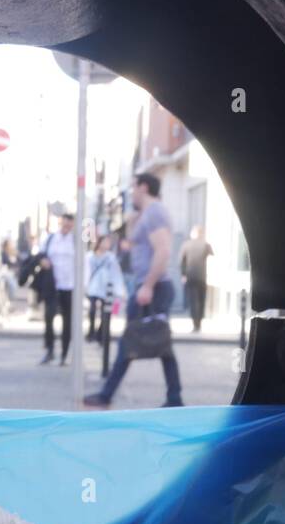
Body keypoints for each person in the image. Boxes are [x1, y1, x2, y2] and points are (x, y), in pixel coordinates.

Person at [85, 173, 183, 407]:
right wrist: (132, 220)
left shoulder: (156, 212)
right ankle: (174, 397)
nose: (131, 193)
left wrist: (148, 285)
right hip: (149, 286)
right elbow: (132, 244)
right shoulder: (146, 214)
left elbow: (163, 251)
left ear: (144, 187)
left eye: (133, 188)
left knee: (140, 342)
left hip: (154, 287)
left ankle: (107, 394)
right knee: (157, 344)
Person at [39, 213, 77, 366]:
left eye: (70, 225)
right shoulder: (50, 239)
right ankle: (49, 350)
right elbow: (40, 255)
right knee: (49, 317)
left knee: (67, 321)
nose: (66, 227)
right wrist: (43, 261)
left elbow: (85, 258)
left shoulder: (76, 241)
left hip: (69, 286)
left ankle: (64, 353)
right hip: (53, 285)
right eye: (64, 224)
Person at [85, 233, 126, 342]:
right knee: (92, 310)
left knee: (106, 311)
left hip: (106, 288)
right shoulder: (90, 256)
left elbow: (116, 273)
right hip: (93, 286)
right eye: (105, 242)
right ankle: (91, 332)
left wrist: (119, 290)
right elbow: (86, 272)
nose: (107, 244)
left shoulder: (111, 257)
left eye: (108, 242)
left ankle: (102, 333)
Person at [179, 225, 214, 332]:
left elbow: (181, 261)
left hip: (190, 276)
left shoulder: (186, 245)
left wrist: (183, 274)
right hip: (202, 277)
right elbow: (213, 255)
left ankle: (195, 324)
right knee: (201, 300)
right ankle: (199, 323)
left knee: (193, 300)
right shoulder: (206, 245)